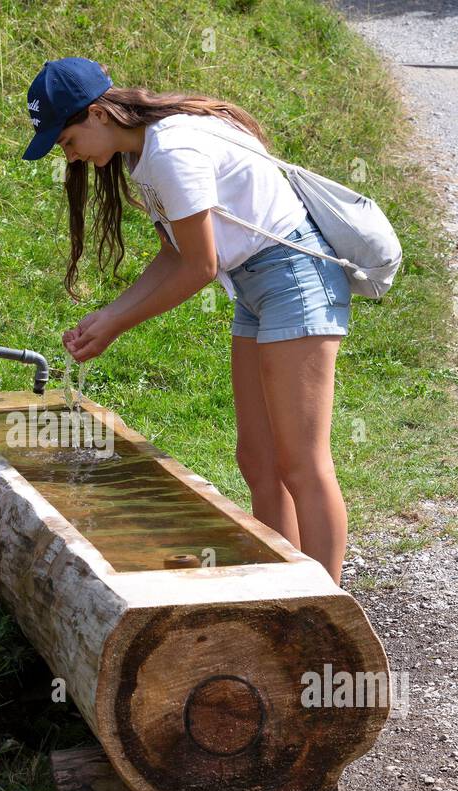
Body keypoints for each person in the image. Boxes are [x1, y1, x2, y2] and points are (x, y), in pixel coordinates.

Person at [22, 56, 352, 586]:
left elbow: (201, 266)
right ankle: (284, 591)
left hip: (296, 278)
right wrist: (108, 315)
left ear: (98, 114)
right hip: (256, 285)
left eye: (67, 140)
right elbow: (175, 256)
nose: (72, 156)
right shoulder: (145, 157)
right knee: (258, 462)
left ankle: (327, 612)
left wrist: (117, 325)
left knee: (302, 466)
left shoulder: (171, 152)